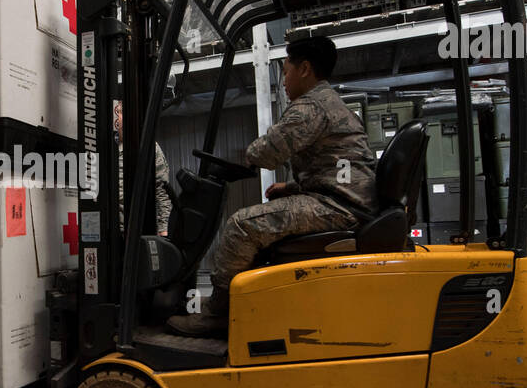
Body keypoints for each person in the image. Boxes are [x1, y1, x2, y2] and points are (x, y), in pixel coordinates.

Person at [167, 35, 376, 337]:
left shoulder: (311, 106)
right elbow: (331, 170)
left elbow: (266, 152)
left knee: (240, 226)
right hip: (345, 201)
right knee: (260, 222)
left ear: (305, 69)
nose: (285, 80)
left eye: (286, 71)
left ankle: (217, 315)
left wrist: (250, 154)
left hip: (339, 207)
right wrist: (290, 188)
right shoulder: (327, 102)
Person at [114, 100, 172, 236]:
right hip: (110, 230)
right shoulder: (105, 147)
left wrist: (163, 229)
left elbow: (162, 190)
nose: (118, 117)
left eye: (121, 113)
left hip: (136, 229)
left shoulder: (148, 147)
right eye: (117, 113)